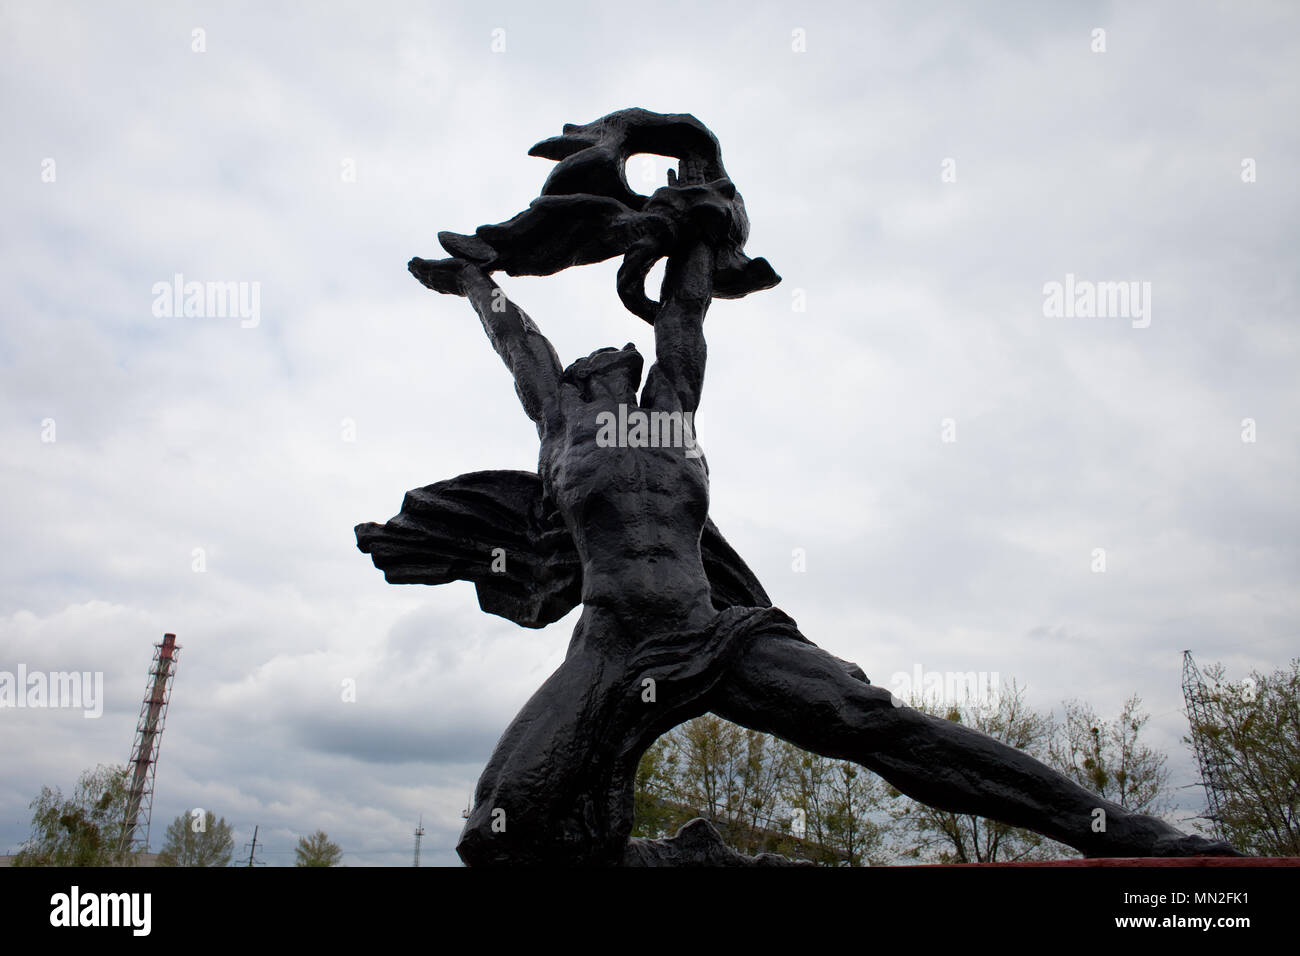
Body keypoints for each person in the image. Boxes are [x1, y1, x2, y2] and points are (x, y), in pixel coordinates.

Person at [400, 186, 1237, 866]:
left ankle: (1118, 831)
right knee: (497, 836)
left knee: (880, 724)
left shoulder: (667, 417)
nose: (621, 356)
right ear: (583, 383)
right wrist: (478, 282)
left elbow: (684, 319)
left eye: (630, 355)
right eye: (603, 360)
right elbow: (521, 347)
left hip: (707, 630)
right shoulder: (563, 430)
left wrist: (696, 230)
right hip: (615, 646)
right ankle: (685, 860)